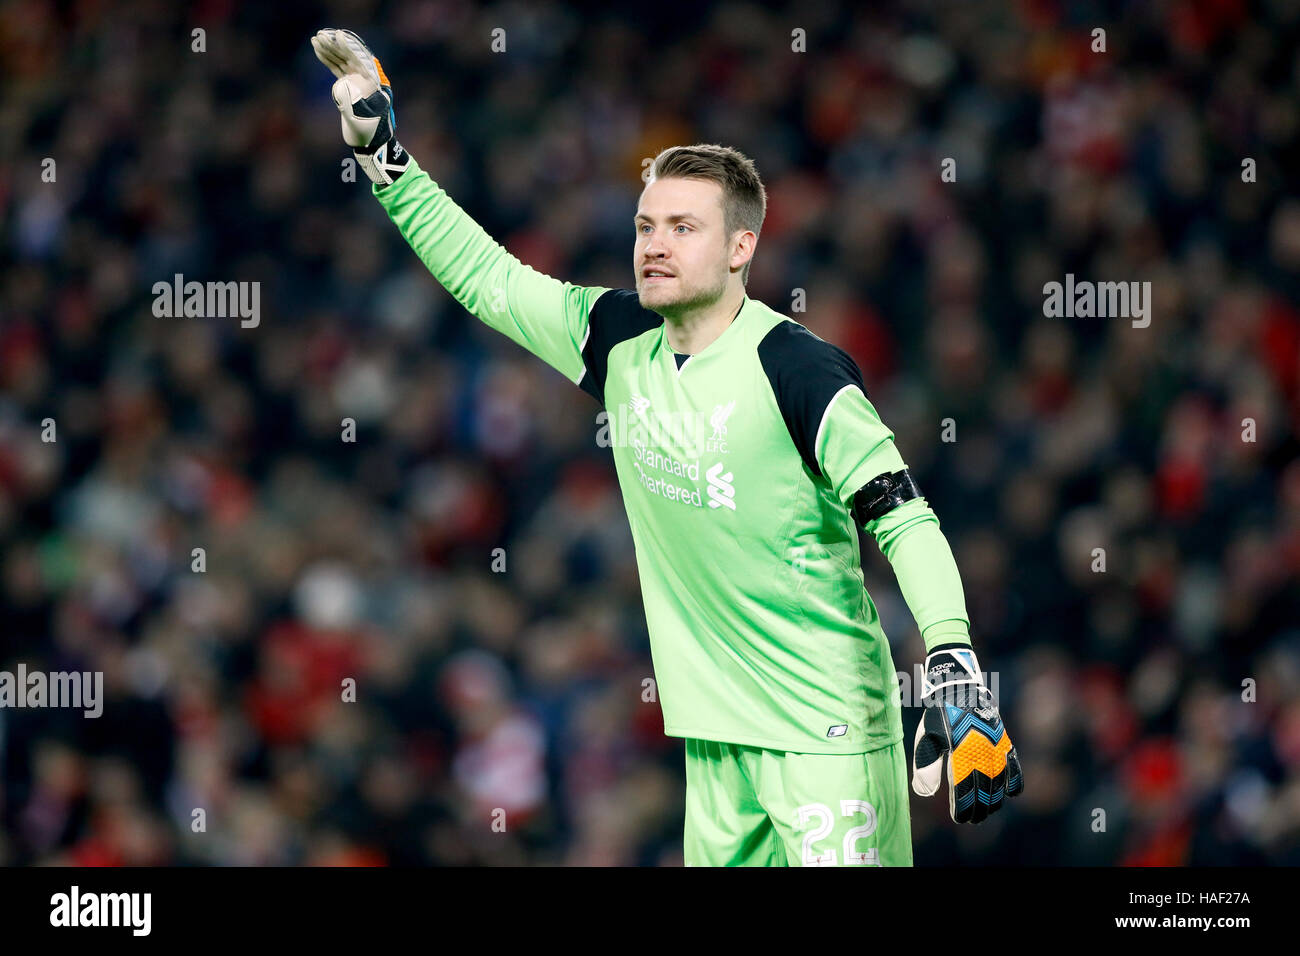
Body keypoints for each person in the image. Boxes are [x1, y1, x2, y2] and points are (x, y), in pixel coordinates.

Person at [310, 27, 1023, 866]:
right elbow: (487, 280)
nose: (654, 244)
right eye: (647, 224)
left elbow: (904, 518)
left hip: (826, 734)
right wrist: (384, 155)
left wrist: (951, 656)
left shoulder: (799, 370)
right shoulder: (616, 339)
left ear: (741, 247)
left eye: (684, 228)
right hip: (714, 740)